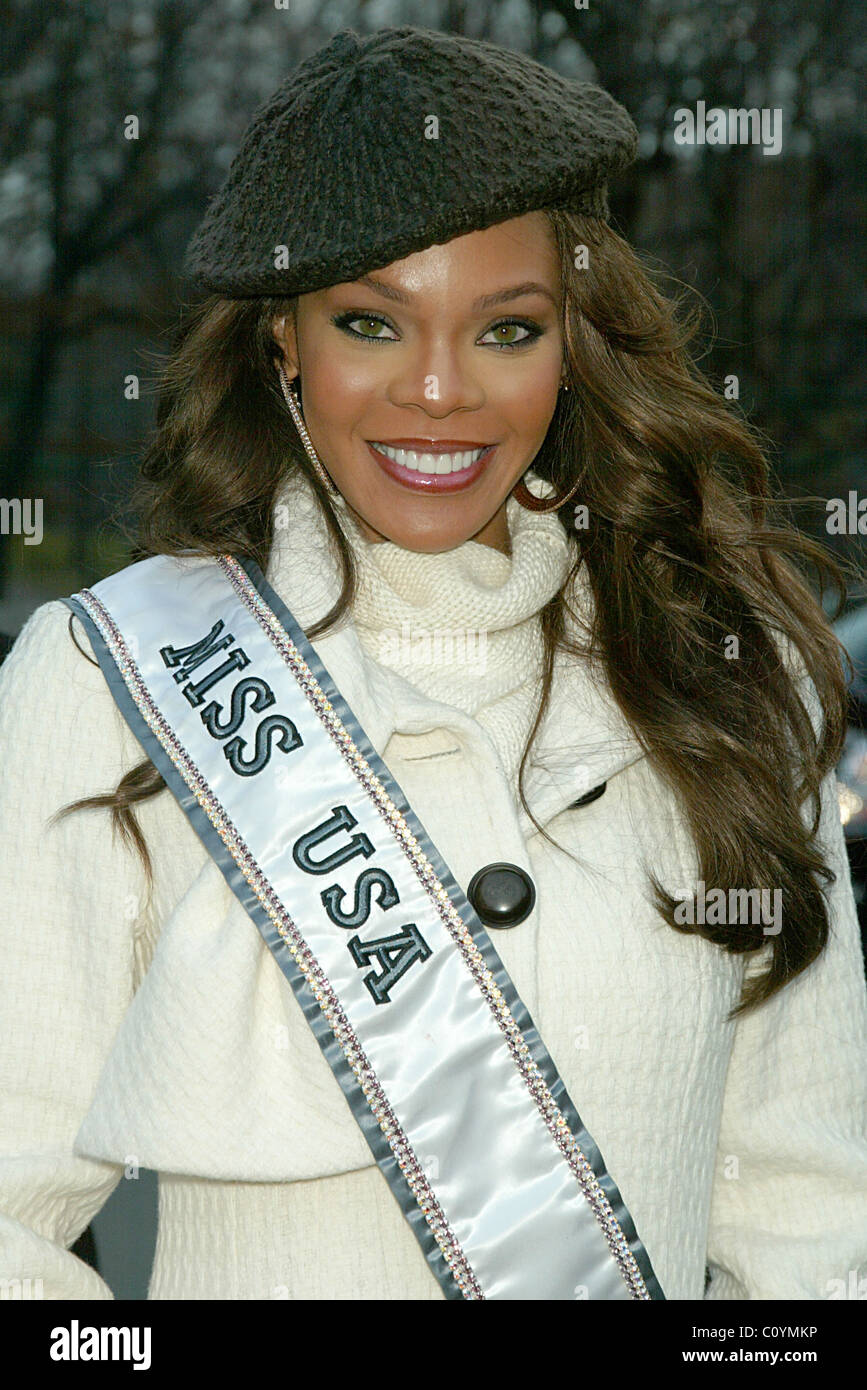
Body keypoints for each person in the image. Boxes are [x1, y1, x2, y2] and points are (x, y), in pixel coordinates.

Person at [1, 24, 865, 1302]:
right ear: (282, 339)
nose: (442, 391)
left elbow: (812, 1222)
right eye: (371, 322)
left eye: (507, 330)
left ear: (576, 340)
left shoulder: (724, 678)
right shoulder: (113, 675)